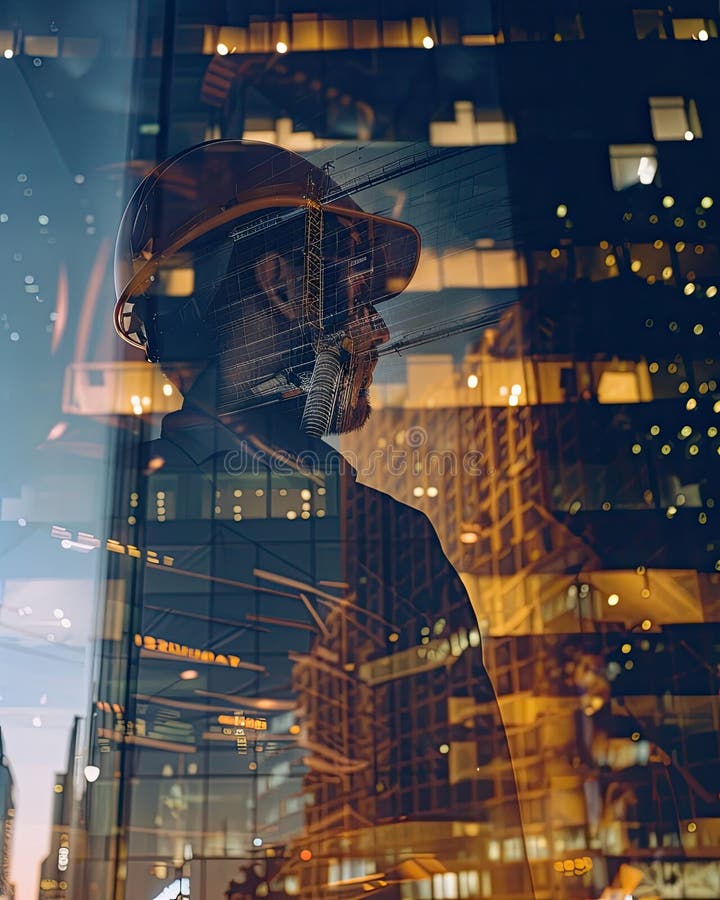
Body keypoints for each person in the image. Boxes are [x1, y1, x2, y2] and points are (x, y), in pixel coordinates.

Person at [92, 139, 532, 899]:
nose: (377, 333)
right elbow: (483, 846)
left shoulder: (116, 530)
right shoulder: (385, 543)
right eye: (354, 296)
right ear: (281, 285)